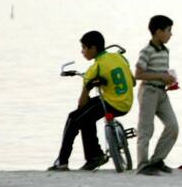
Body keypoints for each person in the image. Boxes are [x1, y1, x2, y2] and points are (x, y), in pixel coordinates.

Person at [48, 31, 134, 171]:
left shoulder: (95, 68)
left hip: (111, 104)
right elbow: (133, 82)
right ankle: (94, 155)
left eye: (84, 48)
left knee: (74, 118)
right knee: (86, 116)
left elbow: (82, 103)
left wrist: (88, 87)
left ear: (93, 48)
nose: (82, 52)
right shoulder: (119, 57)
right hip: (126, 103)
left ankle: (62, 161)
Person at [133, 15, 179, 175]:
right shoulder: (146, 51)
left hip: (162, 92)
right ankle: (142, 164)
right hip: (149, 92)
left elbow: (160, 72)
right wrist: (160, 76)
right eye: (168, 31)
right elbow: (138, 74)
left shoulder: (165, 51)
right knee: (146, 129)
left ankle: (157, 160)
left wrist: (169, 80)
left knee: (173, 126)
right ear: (158, 31)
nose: (170, 34)